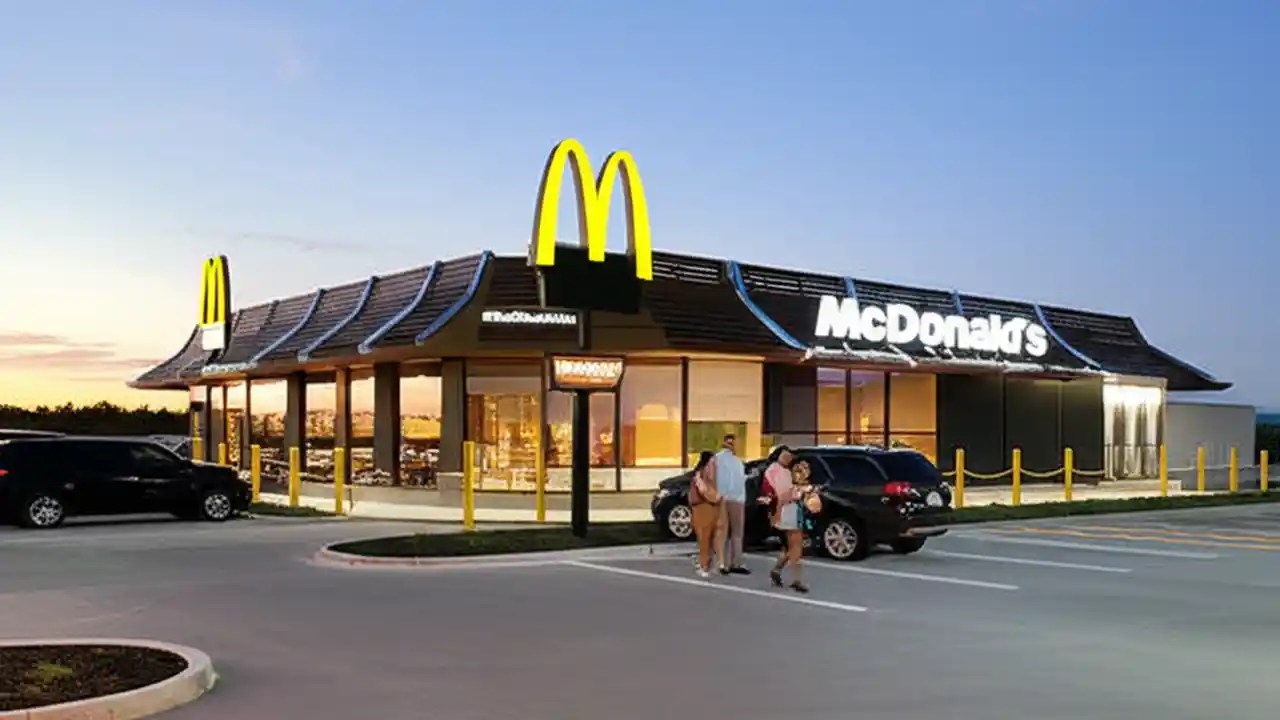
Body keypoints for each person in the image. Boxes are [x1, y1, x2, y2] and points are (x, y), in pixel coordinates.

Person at [760, 447, 812, 593]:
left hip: (789, 509)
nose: (788, 458)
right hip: (784, 510)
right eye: (785, 455)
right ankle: (796, 579)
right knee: (796, 544)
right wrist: (797, 492)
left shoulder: (786, 471)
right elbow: (781, 494)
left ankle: (778, 569)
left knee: (790, 546)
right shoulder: (774, 471)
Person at [713, 433, 749, 576]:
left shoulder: (716, 460)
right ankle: (736, 562)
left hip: (722, 497)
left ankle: (721, 562)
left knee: (722, 531)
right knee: (737, 532)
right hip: (736, 498)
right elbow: (739, 482)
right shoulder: (736, 462)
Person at [688, 450, 721, 578]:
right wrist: (716, 497)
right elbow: (704, 491)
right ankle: (703, 566)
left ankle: (709, 564)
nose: (714, 466)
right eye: (712, 462)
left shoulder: (712, 477)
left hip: (711, 508)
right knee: (704, 539)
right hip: (702, 508)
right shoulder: (699, 475)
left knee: (711, 538)